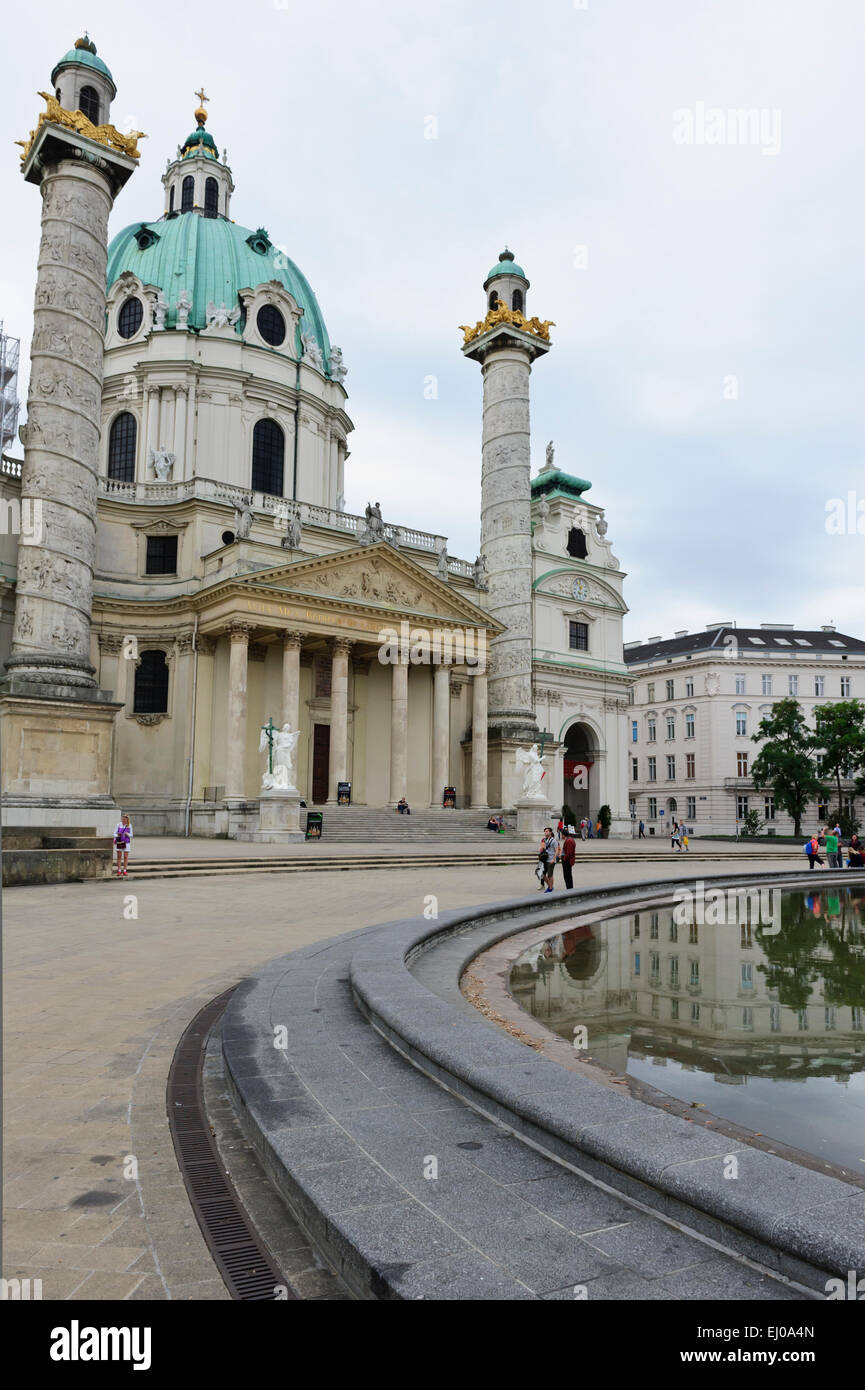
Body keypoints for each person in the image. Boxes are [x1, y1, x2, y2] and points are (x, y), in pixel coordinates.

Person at [538, 827, 558, 893]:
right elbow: (544, 848)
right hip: (545, 859)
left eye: (547, 831)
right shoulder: (545, 840)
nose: (545, 832)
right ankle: (550, 886)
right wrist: (541, 849)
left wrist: (554, 859)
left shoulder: (554, 840)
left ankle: (550, 888)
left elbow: (557, 851)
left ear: (550, 832)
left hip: (551, 860)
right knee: (542, 874)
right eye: (545, 831)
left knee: (550, 875)